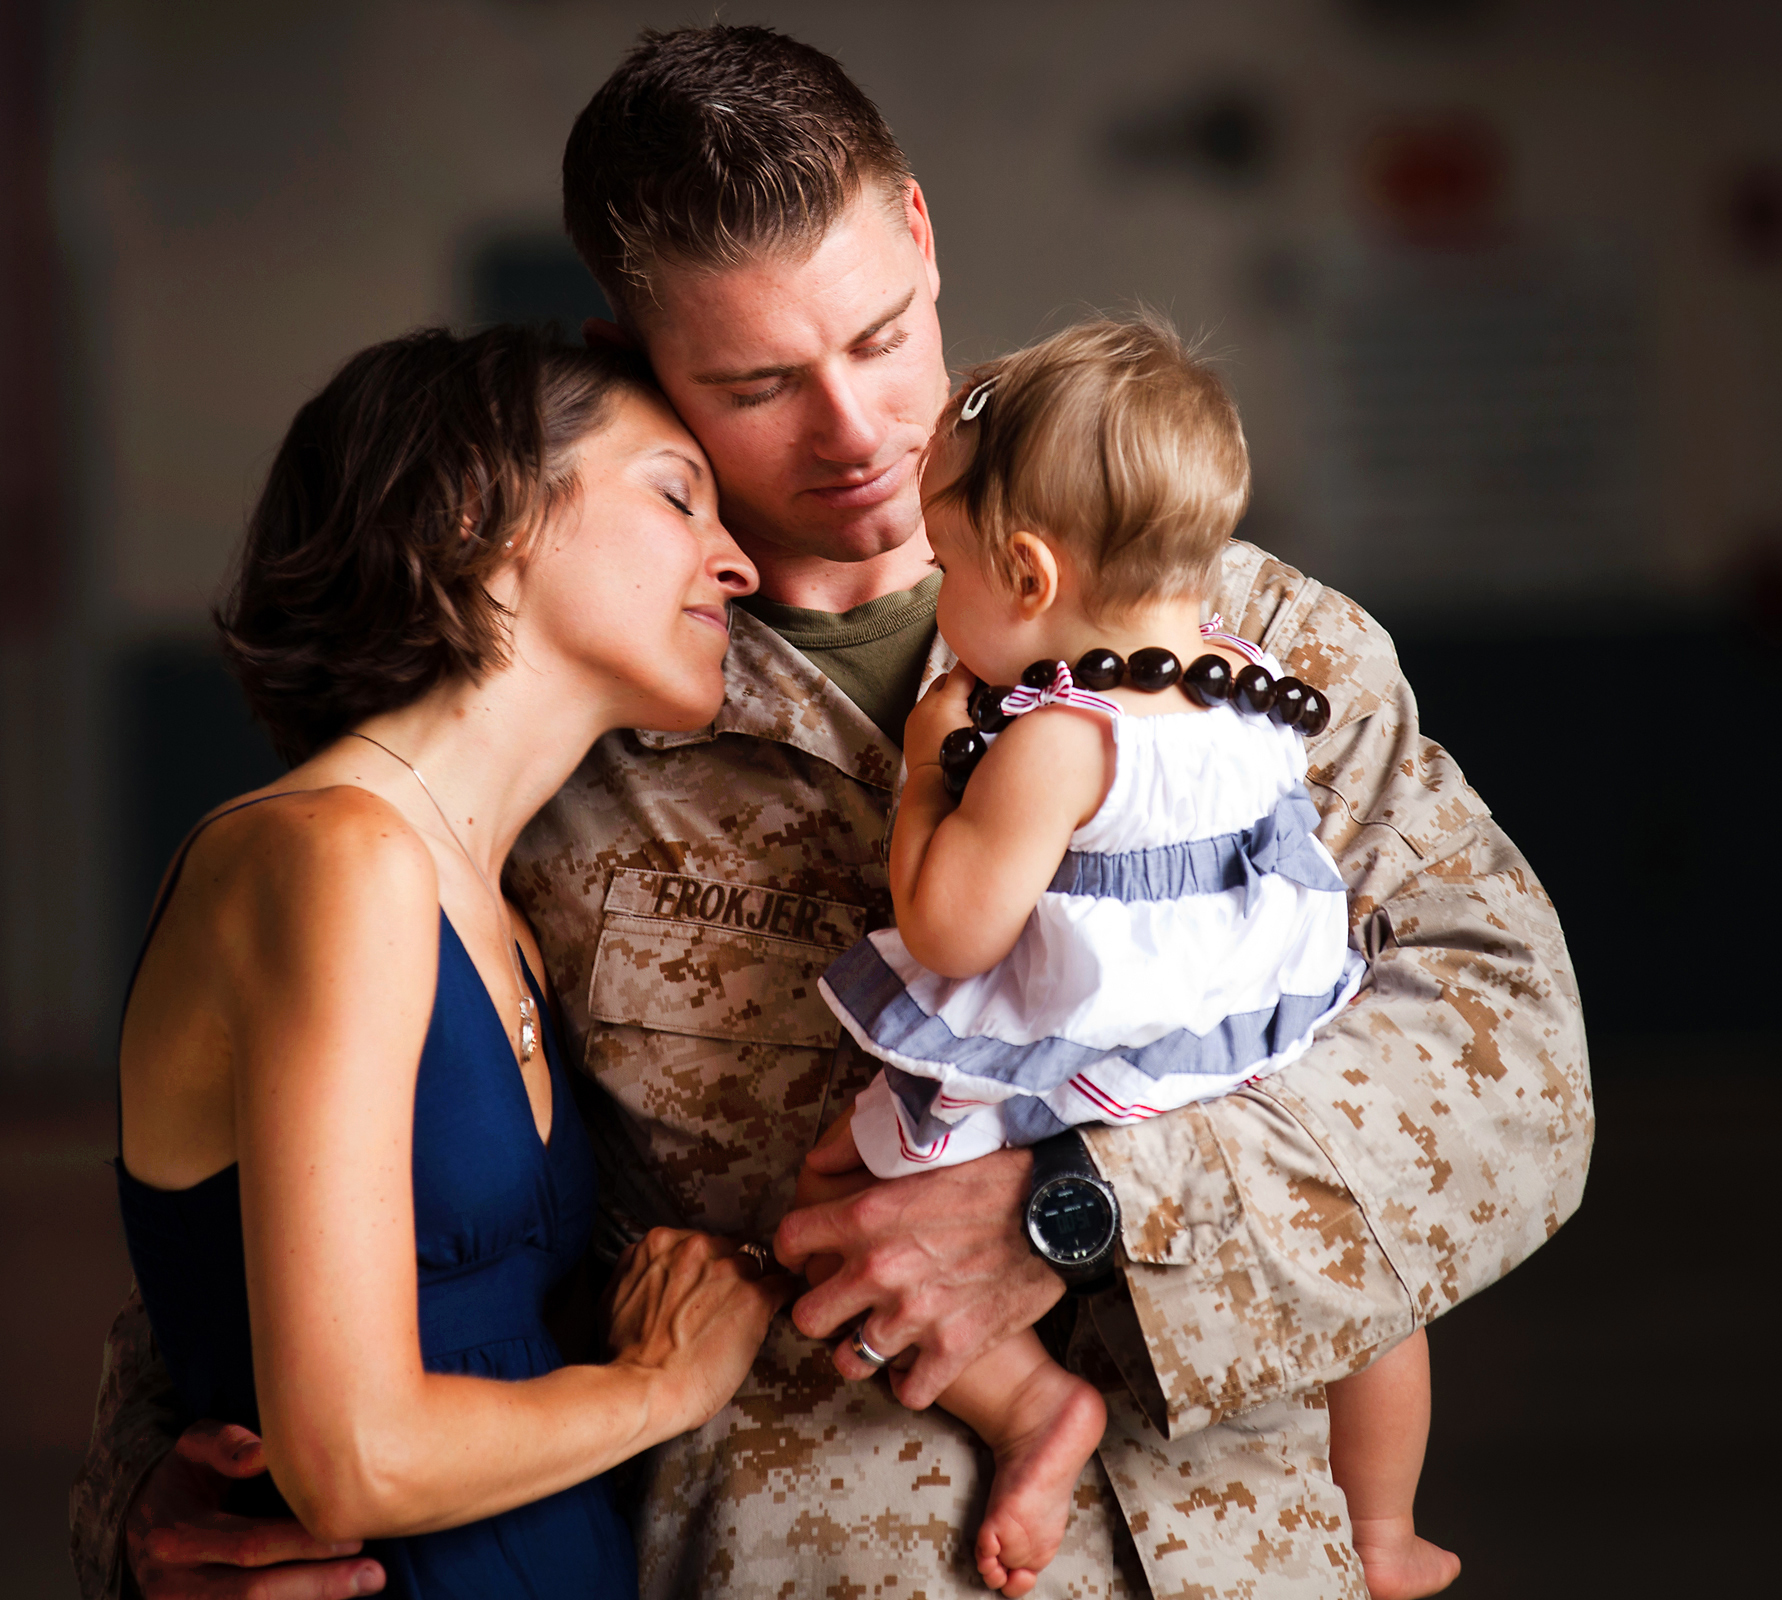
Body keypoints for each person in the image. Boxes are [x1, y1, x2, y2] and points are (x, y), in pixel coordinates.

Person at [73, 26, 1593, 1600]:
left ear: (923, 238)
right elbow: (337, 1209)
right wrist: (152, 1503)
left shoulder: (1250, 651)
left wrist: (1078, 1211)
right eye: (757, 384)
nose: (857, 431)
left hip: (1239, 1559)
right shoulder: (558, 738)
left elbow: (1516, 1067)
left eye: (879, 338)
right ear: (642, 351)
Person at [106, 325, 792, 1598]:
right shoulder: (333, 858)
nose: (738, 561)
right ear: (484, 508)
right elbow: (351, 1456)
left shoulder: (501, 912)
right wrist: (663, 1384)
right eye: (674, 493)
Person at [810, 315, 1454, 1599]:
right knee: (1380, 1301)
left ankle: (1035, 1408)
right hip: (1255, 1043)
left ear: (1029, 575)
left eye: (948, 569)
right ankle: (1382, 1529)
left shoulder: (1059, 738)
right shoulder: (1254, 679)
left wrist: (933, 765)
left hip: (1107, 1055)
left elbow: (951, 926)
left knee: (840, 1198)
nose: (942, 598)